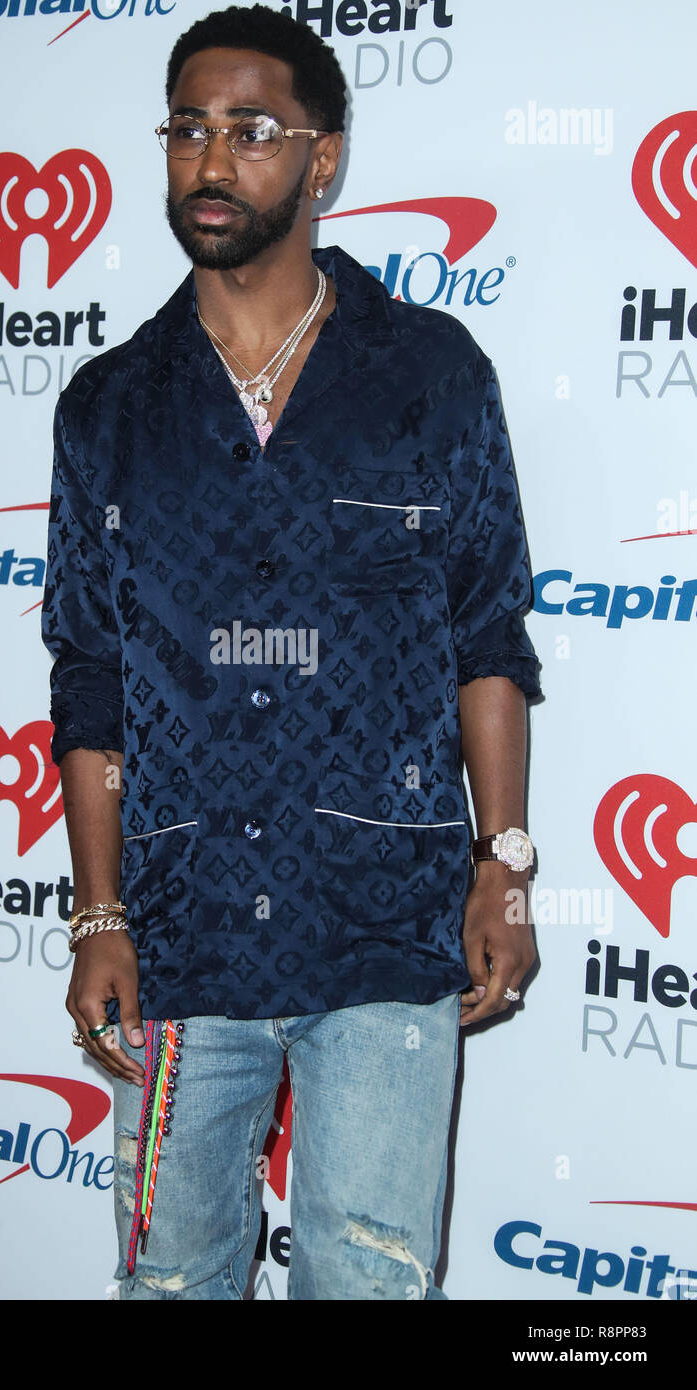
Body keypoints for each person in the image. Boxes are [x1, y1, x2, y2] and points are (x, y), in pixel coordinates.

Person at [41, 2, 542, 1301]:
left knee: (365, 1281)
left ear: (323, 161)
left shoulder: (428, 374)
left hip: (383, 922)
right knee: (168, 1278)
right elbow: (87, 670)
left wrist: (505, 866)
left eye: (251, 131)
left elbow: (485, 633)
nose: (211, 162)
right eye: (188, 129)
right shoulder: (107, 404)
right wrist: (98, 911)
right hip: (176, 935)